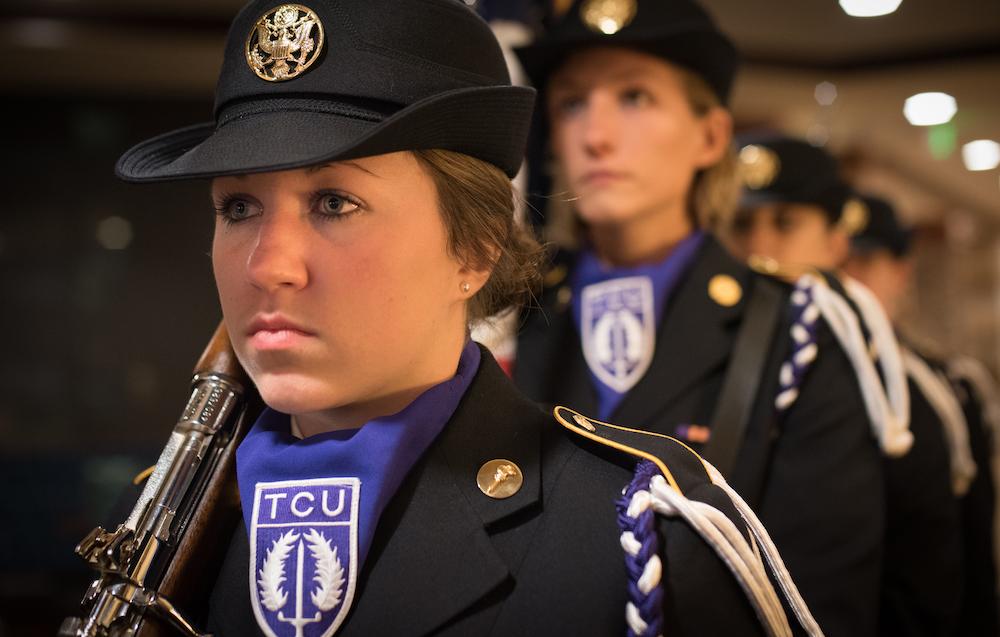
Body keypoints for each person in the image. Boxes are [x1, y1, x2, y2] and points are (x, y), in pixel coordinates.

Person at [101, 1, 820, 635]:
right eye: (238, 207)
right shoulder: (172, 529)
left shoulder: (638, 535)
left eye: (334, 203)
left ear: (474, 249)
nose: (267, 264)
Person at [512, 2, 891, 635]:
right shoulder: (517, 312)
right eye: (572, 103)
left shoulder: (795, 328)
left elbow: (820, 596)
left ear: (711, 136)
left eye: (635, 97)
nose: (595, 134)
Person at [729, 139, 964, 637]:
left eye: (786, 223)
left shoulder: (890, 383)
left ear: (838, 243)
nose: (759, 246)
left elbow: (926, 575)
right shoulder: (717, 357)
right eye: (742, 224)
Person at [843, 194, 998, 636]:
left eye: (866, 260)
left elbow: (970, 546)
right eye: (841, 260)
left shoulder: (946, 390)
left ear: (901, 269)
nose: (849, 278)